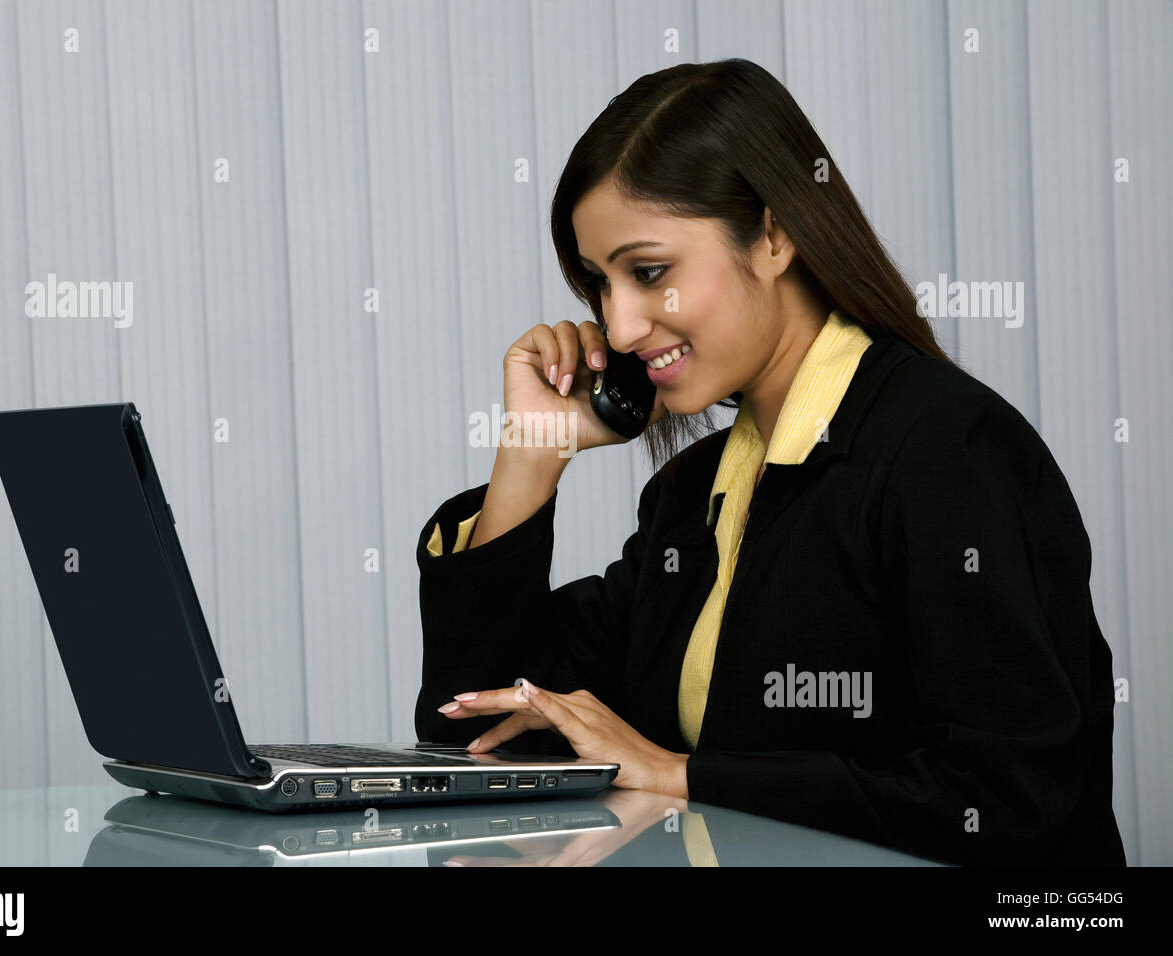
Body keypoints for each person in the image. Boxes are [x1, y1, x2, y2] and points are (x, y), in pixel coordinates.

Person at [413, 59, 1125, 867]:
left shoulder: (947, 452)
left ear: (776, 233)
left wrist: (685, 776)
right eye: (598, 283)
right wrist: (529, 458)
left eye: (649, 273)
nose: (616, 329)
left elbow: (1011, 802)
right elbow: (471, 736)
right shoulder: (694, 494)